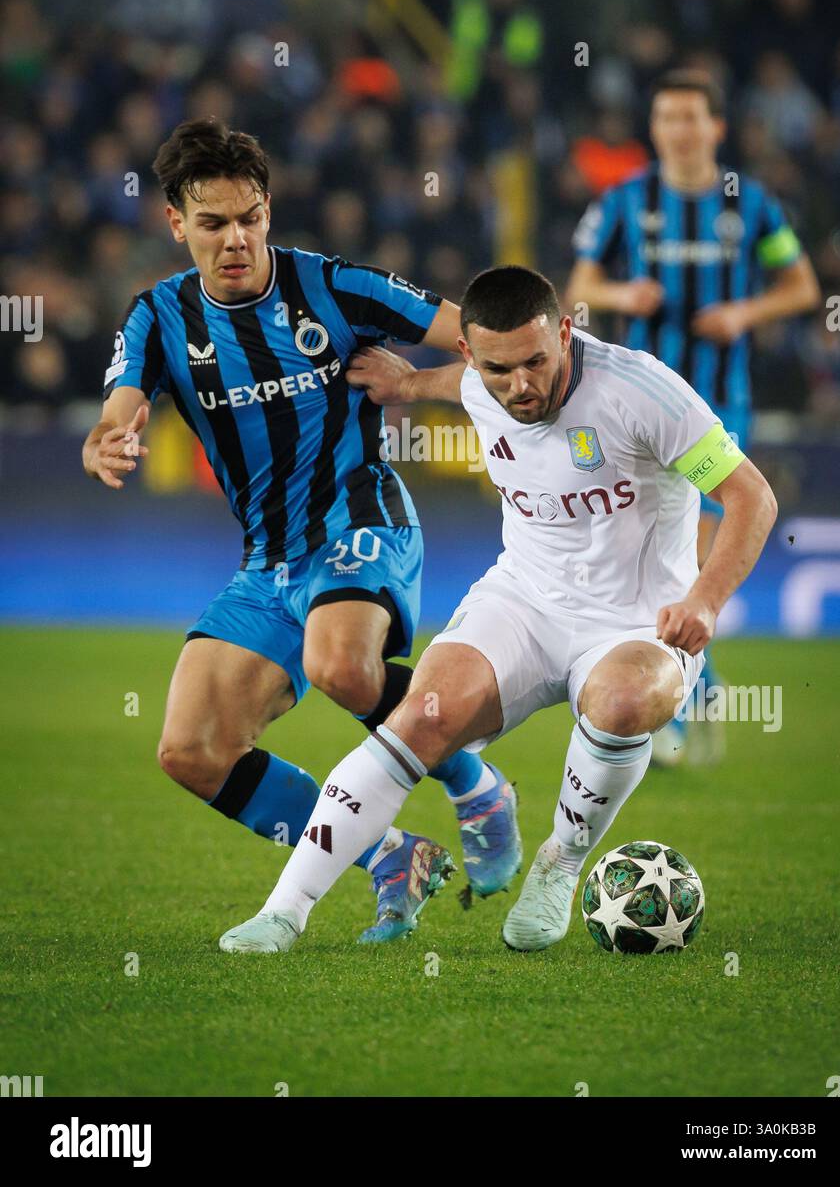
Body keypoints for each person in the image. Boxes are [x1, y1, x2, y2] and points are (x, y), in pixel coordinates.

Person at [217, 266, 777, 955]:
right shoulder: (484, 380)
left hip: (636, 622)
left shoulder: (641, 390)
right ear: (471, 355)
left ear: (566, 332)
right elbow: (462, 386)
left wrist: (705, 600)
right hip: (524, 603)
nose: (520, 386)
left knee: (627, 701)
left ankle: (560, 863)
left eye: (537, 362)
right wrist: (409, 384)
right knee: (420, 717)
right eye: (498, 368)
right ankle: (284, 910)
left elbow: (753, 498)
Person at [81, 118, 521, 947]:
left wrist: (418, 381)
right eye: (213, 223)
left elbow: (499, 349)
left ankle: (479, 788)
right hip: (268, 562)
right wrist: (111, 435)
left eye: (250, 216)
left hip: (363, 520)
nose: (236, 238)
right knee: (192, 750)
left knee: (340, 664)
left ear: (269, 210)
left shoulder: (335, 286)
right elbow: (123, 401)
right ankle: (392, 857)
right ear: (176, 223)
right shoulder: (158, 317)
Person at [565, 70, 818, 764]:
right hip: (629, 408)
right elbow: (581, 285)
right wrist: (623, 290)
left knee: (691, 552)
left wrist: (744, 311)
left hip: (716, 403)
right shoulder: (624, 200)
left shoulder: (752, 204)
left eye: (690, 117)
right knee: (641, 549)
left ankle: (671, 696)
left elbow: (802, 286)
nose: (678, 129)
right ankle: (690, 684)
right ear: (655, 128)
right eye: (666, 117)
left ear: (715, 128)